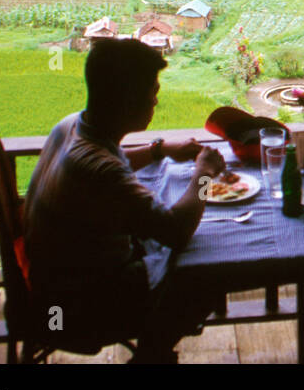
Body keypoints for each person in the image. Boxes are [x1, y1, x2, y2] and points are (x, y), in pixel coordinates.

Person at [24, 37, 226, 362]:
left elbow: (110, 161)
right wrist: (203, 175)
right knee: (206, 274)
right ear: (127, 102)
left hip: (51, 277)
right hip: (77, 305)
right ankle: (151, 355)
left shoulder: (74, 125)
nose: (156, 102)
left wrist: (158, 149)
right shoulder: (101, 172)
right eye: (152, 94)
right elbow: (175, 230)